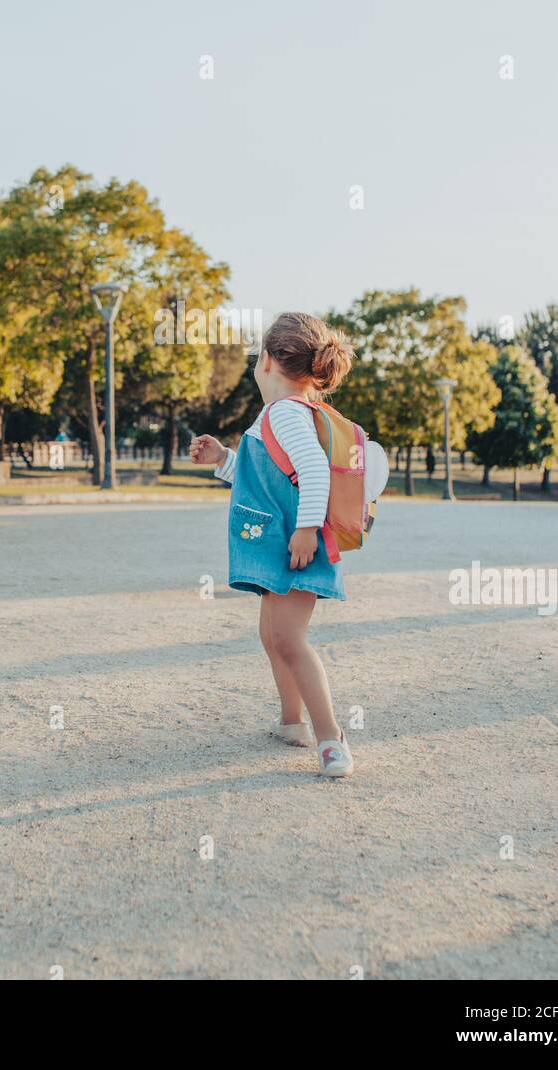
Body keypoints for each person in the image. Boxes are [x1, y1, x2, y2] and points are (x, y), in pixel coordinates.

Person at [190, 312, 356, 778]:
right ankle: (291, 722)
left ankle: (331, 738)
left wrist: (305, 529)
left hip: (296, 545)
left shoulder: (285, 411)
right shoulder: (285, 413)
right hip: (283, 544)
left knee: (288, 638)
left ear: (265, 361)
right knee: (273, 636)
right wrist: (224, 459)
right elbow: (264, 478)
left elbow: (314, 472)